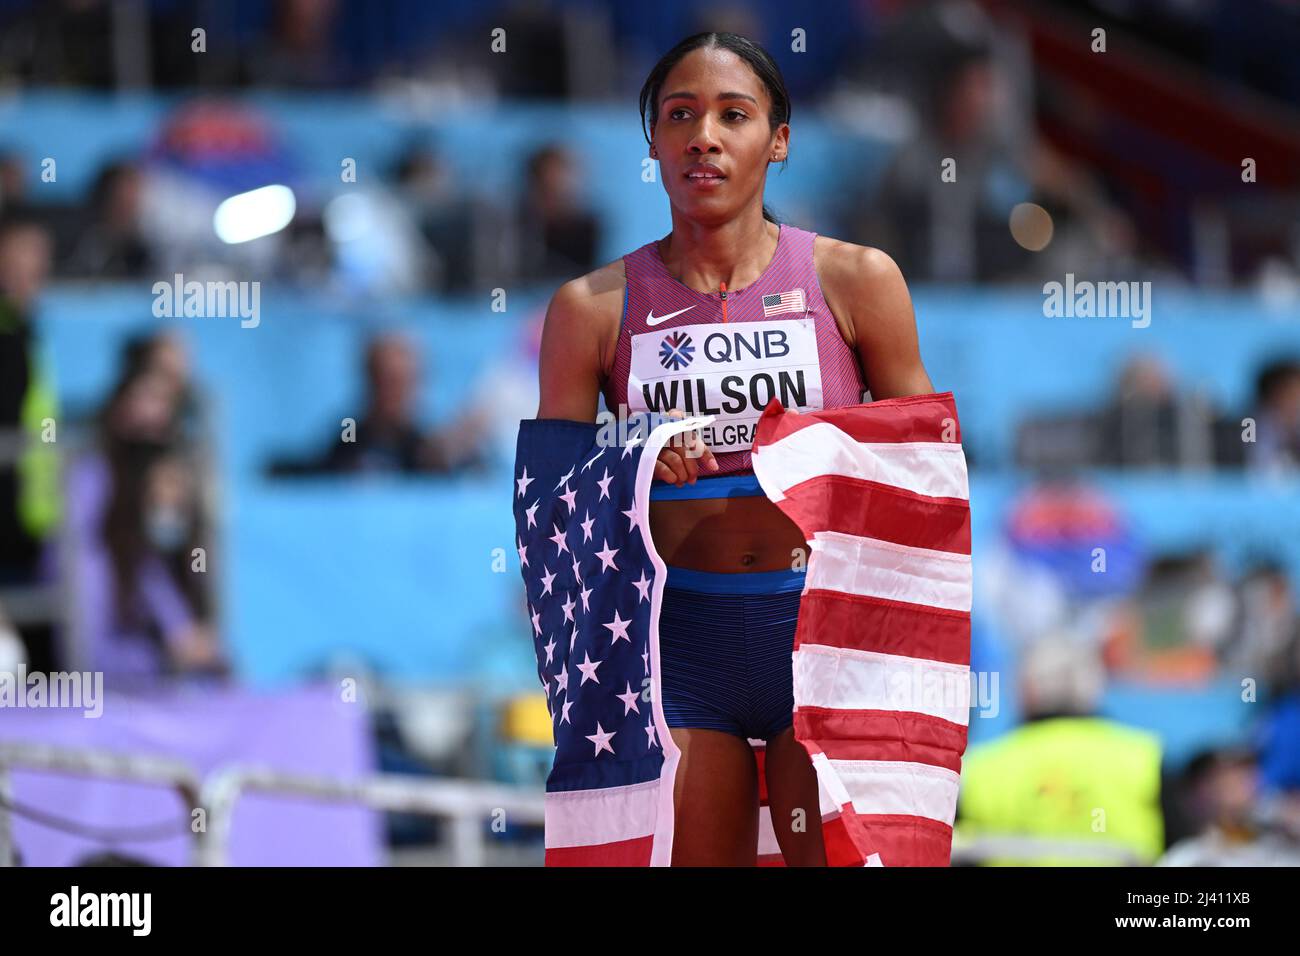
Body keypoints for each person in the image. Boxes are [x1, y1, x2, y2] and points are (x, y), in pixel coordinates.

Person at [535, 32, 937, 866]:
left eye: (733, 114)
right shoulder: (590, 308)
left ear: (778, 140)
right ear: (652, 144)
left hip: (821, 642)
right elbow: (549, 505)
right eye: (679, 116)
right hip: (677, 647)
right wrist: (632, 461)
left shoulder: (859, 281)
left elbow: (925, 473)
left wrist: (819, 449)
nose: (703, 137)